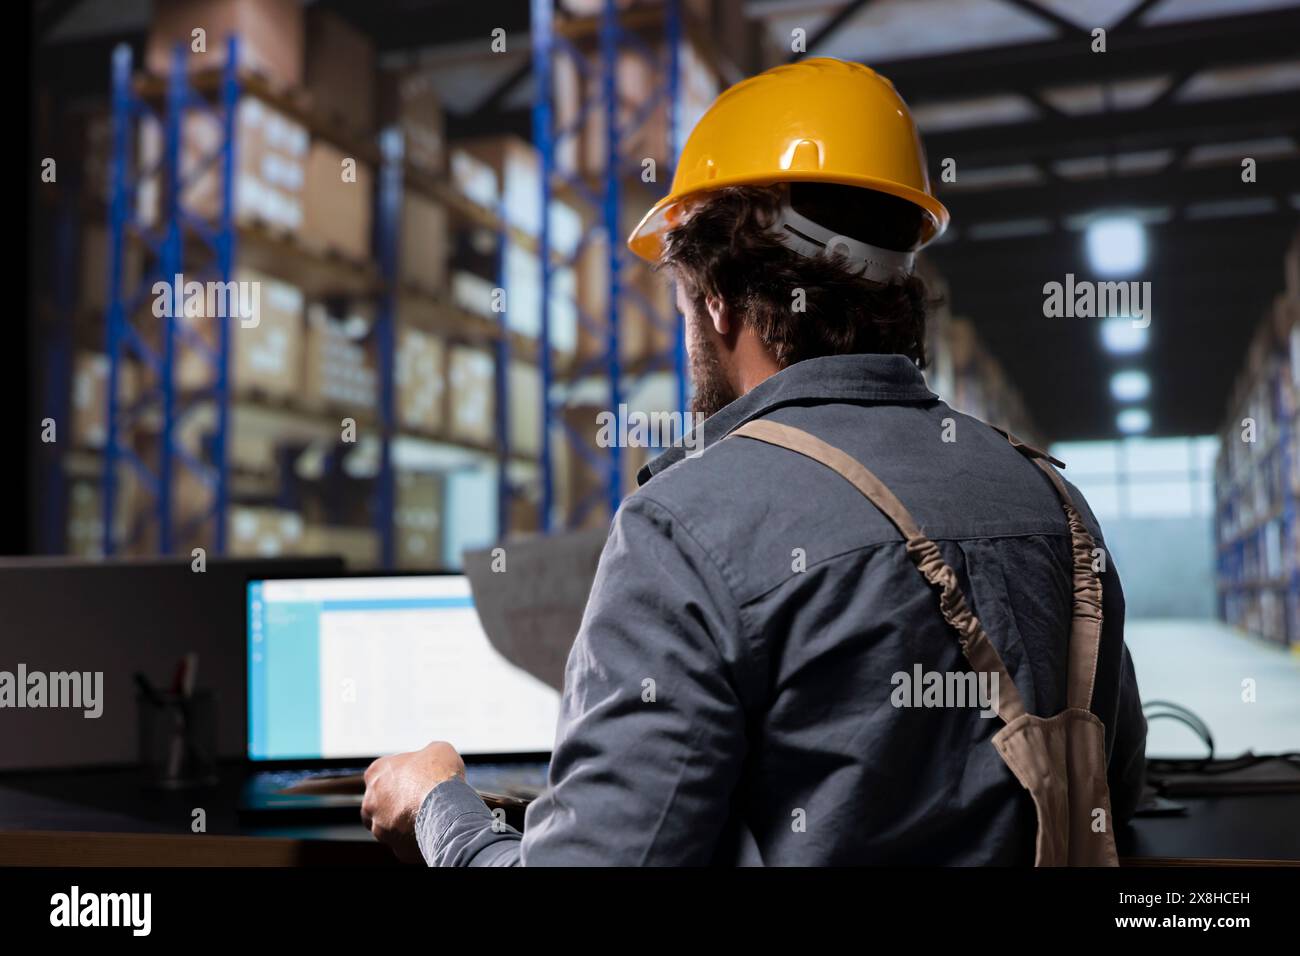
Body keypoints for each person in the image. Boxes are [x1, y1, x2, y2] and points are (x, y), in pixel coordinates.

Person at [362, 57, 1147, 866]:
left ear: (717, 298)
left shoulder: (690, 524)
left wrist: (440, 810)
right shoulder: (1054, 502)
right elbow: (1113, 796)